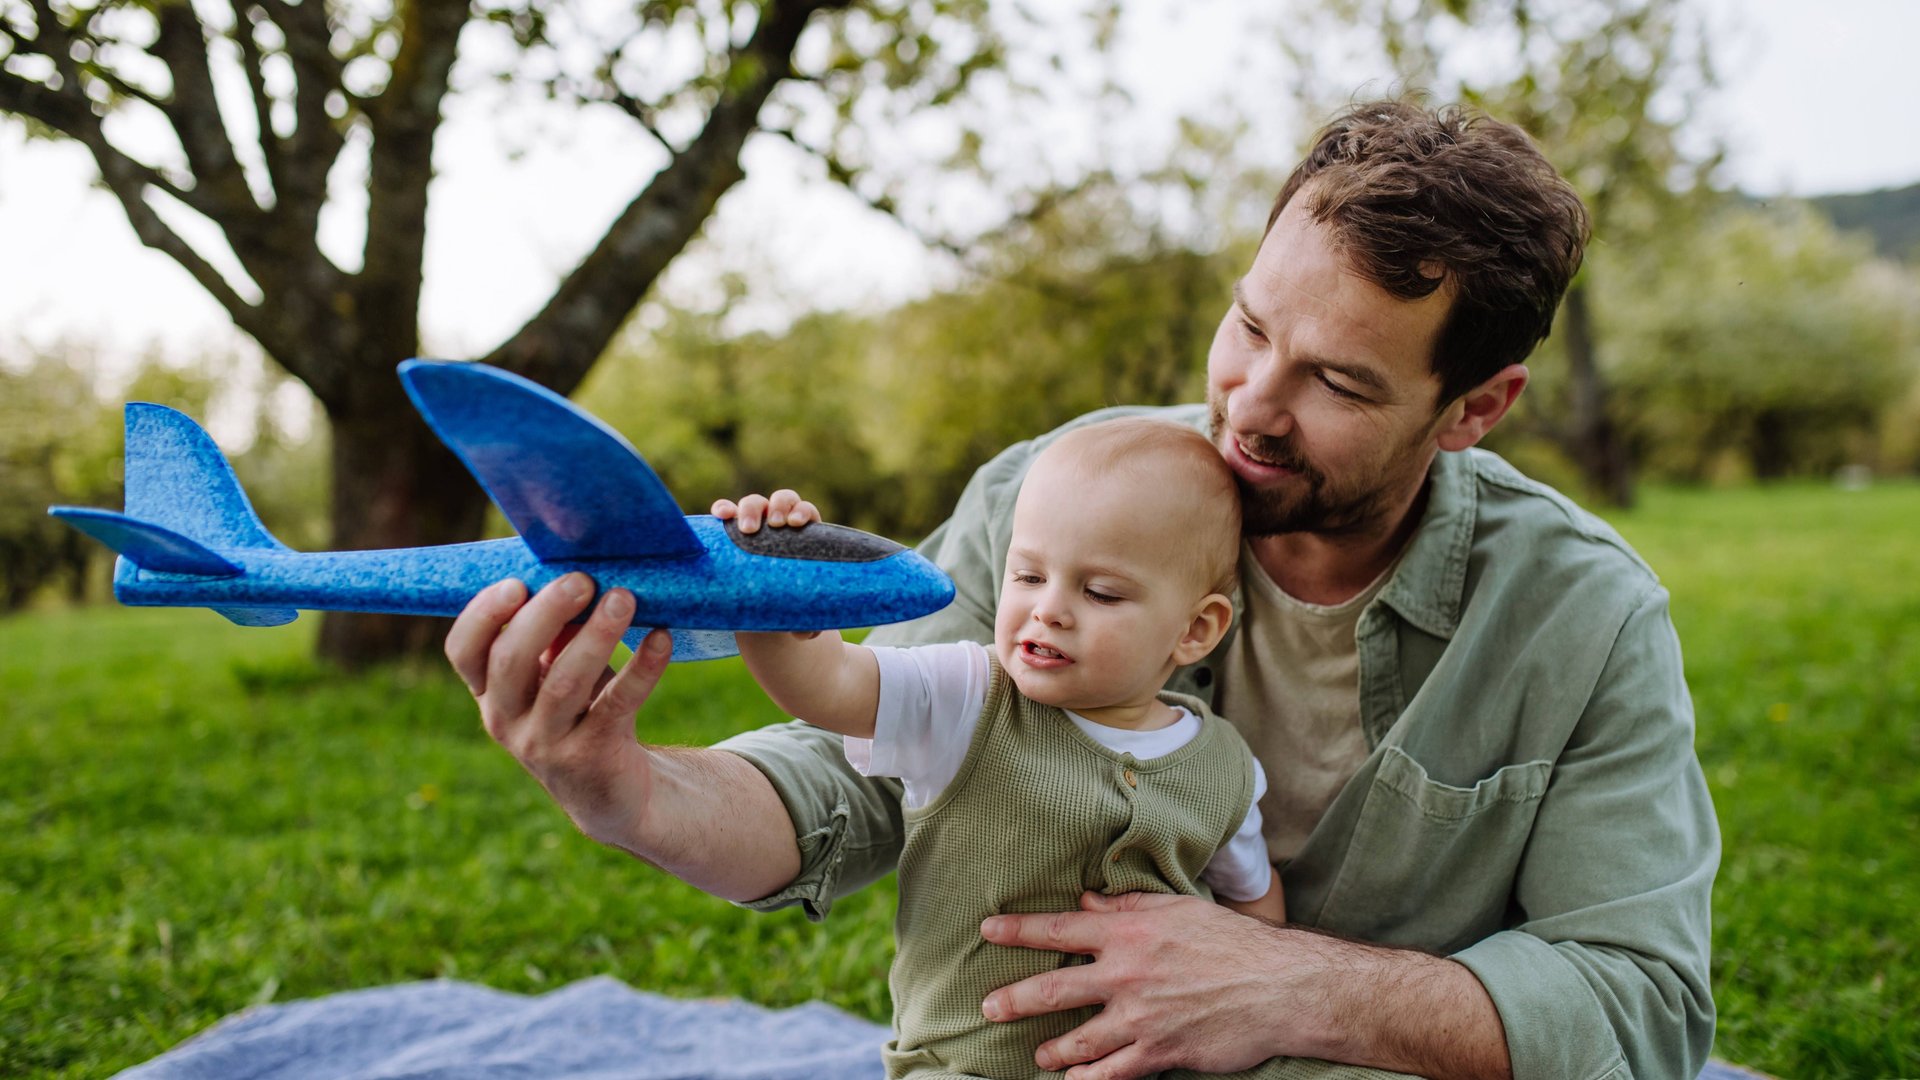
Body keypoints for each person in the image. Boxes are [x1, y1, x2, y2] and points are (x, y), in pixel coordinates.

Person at [445, 98, 1718, 1080]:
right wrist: (620, 790)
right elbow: (845, 778)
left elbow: (1643, 1003)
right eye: (1251, 329)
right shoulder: (1056, 497)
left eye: (1337, 384)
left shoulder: (1583, 619)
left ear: (1476, 409)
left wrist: (1285, 982)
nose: (1251, 411)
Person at [722, 419, 1285, 1078]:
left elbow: (1254, 912)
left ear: (1195, 629)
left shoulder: (1224, 769)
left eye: (1099, 591)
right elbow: (830, 685)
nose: (1048, 608)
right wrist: (768, 597)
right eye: (1026, 575)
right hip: (963, 1065)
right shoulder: (967, 693)